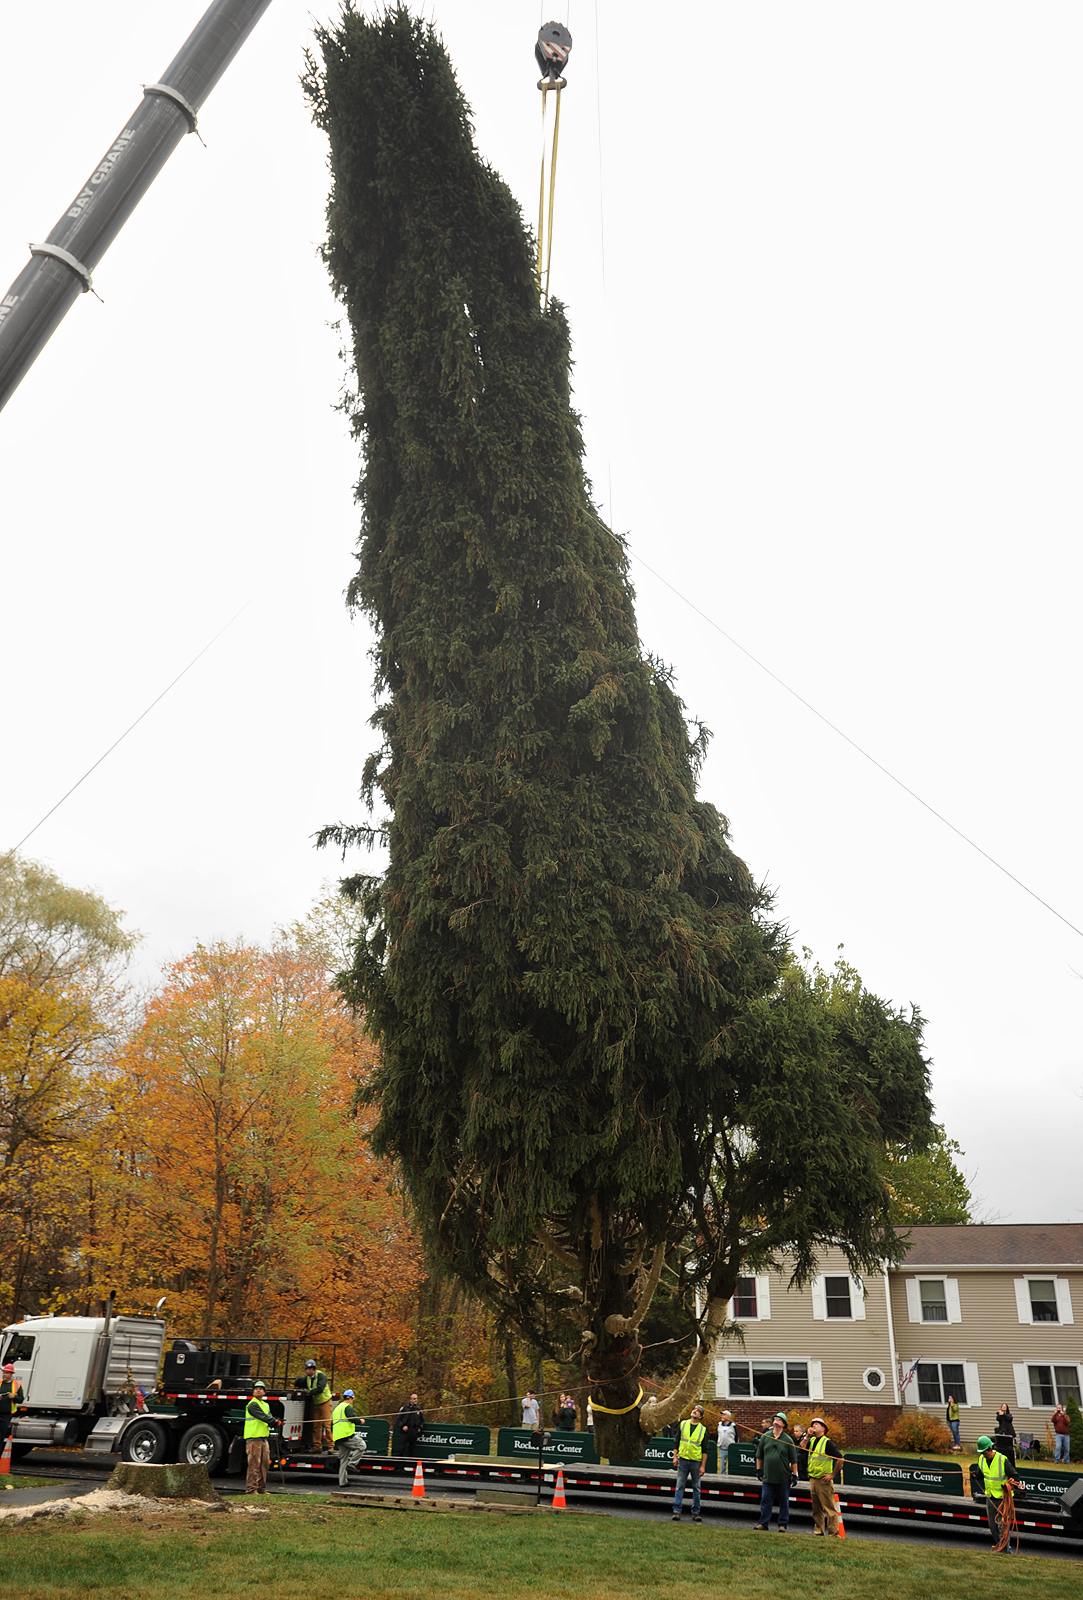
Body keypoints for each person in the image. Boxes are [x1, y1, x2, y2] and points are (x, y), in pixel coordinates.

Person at [755, 1412, 798, 1531]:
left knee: (784, 1502)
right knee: (765, 1500)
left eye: (779, 1419)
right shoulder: (765, 1437)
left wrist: (794, 1475)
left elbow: (794, 1460)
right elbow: (759, 1455)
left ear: (783, 1424)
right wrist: (758, 1470)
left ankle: (782, 1525)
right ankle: (763, 1523)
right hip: (768, 1477)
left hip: (783, 1477)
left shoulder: (788, 1440)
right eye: (775, 1419)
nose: (776, 1420)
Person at [976, 1434, 1016, 1552]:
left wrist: (1011, 1485)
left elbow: (1015, 1476)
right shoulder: (981, 1459)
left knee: (1003, 1525)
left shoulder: (1002, 1459)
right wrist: (975, 1475)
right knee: (993, 1526)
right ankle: (1001, 1546)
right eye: (981, 1452)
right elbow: (980, 1474)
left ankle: (1006, 1549)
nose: (983, 1454)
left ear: (990, 1448)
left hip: (1003, 1498)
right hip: (990, 1497)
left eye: (984, 1452)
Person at [671, 1404, 708, 1522]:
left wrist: (703, 1466)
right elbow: (676, 1441)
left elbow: (705, 1450)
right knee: (679, 1486)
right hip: (683, 1459)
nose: (695, 1411)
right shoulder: (683, 1424)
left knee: (696, 1487)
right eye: (694, 1409)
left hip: (696, 1462)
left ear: (701, 1416)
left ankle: (696, 1512)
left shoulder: (703, 1430)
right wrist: (675, 1457)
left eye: (698, 1411)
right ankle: (677, 1511)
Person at [806, 1417, 842, 1535]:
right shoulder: (811, 1441)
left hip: (823, 1480)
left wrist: (832, 1474)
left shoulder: (827, 1442)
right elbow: (801, 1448)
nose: (814, 1426)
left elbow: (840, 1459)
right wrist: (807, 1436)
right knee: (816, 1509)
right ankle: (818, 1532)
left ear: (823, 1428)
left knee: (829, 1509)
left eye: (817, 1424)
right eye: (813, 1424)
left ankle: (833, 1533)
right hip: (813, 1478)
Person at [293, 1358, 333, 1452]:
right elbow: (297, 1384)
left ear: (313, 1369)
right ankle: (317, 1447)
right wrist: (298, 1380)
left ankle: (330, 1446)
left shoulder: (321, 1376)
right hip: (317, 1403)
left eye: (307, 1369)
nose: (306, 1371)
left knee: (327, 1425)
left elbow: (320, 1388)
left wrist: (310, 1392)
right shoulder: (307, 1378)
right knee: (316, 1426)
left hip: (325, 1402)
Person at [243, 1380, 274, 1494]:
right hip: (253, 1438)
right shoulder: (252, 1404)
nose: (258, 1390)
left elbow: (269, 1417)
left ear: (264, 1392)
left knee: (264, 1465)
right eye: (256, 1388)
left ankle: (261, 1488)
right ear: (253, 1392)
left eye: (261, 1388)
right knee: (254, 1465)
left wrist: (277, 1421)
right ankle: (251, 1489)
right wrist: (275, 1422)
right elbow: (265, 1417)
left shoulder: (266, 1405)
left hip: (263, 1438)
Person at [331, 1389, 367, 1485]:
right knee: (362, 1446)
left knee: (343, 1460)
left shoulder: (337, 1408)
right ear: (351, 1398)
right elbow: (353, 1418)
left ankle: (342, 1482)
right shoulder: (348, 1407)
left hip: (338, 1437)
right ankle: (352, 1464)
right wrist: (361, 1421)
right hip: (346, 1435)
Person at [0, 1363, 24, 1454]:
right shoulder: (0, 1383)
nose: (4, 1375)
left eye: (6, 1373)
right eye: (4, 1373)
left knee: (1, 1436)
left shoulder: (16, 1385)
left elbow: (21, 1399)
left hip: (6, 1415)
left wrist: (13, 1397)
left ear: (11, 1374)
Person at [395, 1392, 426, 1457]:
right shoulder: (405, 1408)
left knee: (412, 1449)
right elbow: (398, 1419)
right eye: (414, 1399)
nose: (416, 1400)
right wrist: (402, 1426)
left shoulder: (418, 1409)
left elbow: (422, 1420)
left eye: (416, 1399)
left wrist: (419, 1427)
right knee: (401, 1449)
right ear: (410, 1400)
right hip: (405, 1431)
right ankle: (398, 1465)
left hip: (414, 1431)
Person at [993, 1402, 1016, 1468]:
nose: (1004, 1408)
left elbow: (1010, 1419)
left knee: (1010, 1445)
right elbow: (998, 1419)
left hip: (1009, 1432)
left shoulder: (1009, 1415)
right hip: (1002, 1431)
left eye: (1005, 1407)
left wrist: (1004, 1414)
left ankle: (1013, 1457)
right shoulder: (999, 1415)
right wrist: (1000, 1413)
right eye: (1002, 1406)